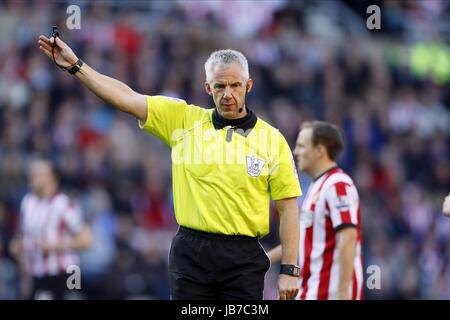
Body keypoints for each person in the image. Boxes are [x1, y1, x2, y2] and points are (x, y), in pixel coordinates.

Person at [37, 34, 301, 300]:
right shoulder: (184, 120)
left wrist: (290, 268)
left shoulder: (272, 139)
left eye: (235, 85)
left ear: (249, 85)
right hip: (191, 254)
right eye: (220, 86)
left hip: (244, 257)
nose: (228, 94)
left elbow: (288, 207)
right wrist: (76, 65)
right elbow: (126, 98)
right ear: (208, 88)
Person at [268, 121, 364, 300]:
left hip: (329, 294)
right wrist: (265, 259)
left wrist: (343, 294)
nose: (296, 152)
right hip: (310, 292)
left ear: (320, 151)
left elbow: (348, 237)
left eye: (301, 146)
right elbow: (302, 239)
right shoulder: (317, 188)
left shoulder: (338, 185)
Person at [10, 158, 92, 299]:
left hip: (68, 270)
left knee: (73, 296)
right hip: (37, 271)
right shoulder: (28, 202)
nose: (32, 178)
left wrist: (54, 246)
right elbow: (21, 235)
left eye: (38, 174)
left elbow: (86, 240)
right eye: (32, 174)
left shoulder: (63, 204)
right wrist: (17, 244)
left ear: (52, 178)